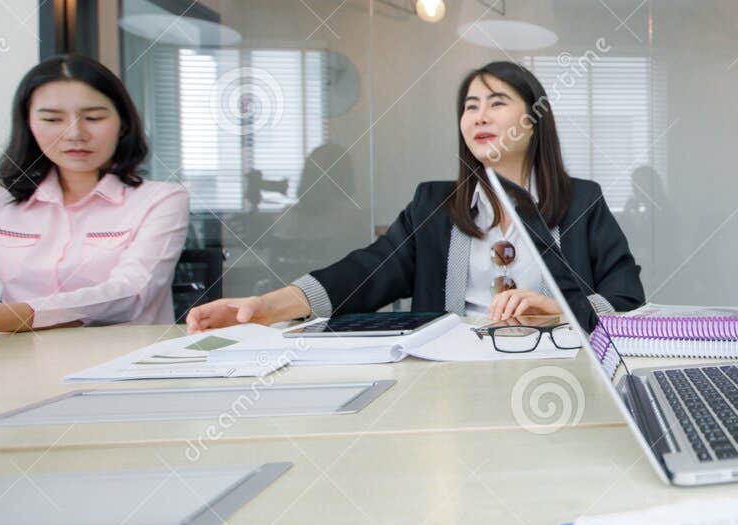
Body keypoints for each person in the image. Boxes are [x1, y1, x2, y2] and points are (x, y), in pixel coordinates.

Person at [187, 60, 644, 332]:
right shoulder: (435, 206)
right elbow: (366, 273)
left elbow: (628, 299)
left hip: (557, 371)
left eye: (497, 102)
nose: (479, 116)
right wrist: (266, 307)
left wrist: (564, 311)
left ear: (533, 121)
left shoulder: (583, 202)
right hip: (451, 376)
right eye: (470, 107)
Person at [0, 54, 189, 337]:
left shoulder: (161, 199)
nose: (75, 133)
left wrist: (4, 316)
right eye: (52, 118)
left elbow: (131, 294)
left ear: (122, 123)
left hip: (122, 361)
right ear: (28, 124)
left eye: (94, 117)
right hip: (15, 363)